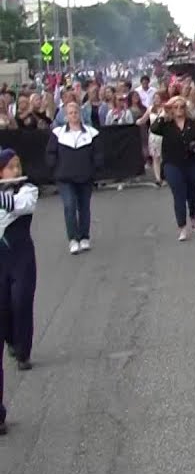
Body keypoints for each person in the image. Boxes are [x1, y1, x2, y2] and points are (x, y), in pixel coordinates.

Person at [0, 149, 40, 374]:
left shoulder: (28, 189)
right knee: (3, 306)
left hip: (21, 255)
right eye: (10, 167)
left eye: (18, 165)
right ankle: (11, 340)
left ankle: (24, 352)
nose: (16, 170)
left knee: (21, 302)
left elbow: (22, 205)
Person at [45, 100, 102, 255]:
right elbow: (50, 153)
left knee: (84, 208)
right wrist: (54, 166)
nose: (73, 115)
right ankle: (73, 239)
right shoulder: (58, 133)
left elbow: (98, 153)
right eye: (70, 113)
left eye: (76, 112)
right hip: (65, 178)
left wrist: (95, 167)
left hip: (85, 176)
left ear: (80, 113)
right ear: (66, 116)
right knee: (69, 206)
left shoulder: (91, 133)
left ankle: (84, 237)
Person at [151, 95, 195, 242]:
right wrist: (164, 111)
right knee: (179, 195)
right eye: (175, 107)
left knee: (194, 194)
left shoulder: (194, 124)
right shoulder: (166, 124)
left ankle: (194, 215)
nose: (179, 110)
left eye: (182, 107)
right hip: (173, 164)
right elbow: (154, 129)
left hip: (192, 164)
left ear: (186, 109)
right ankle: (182, 227)